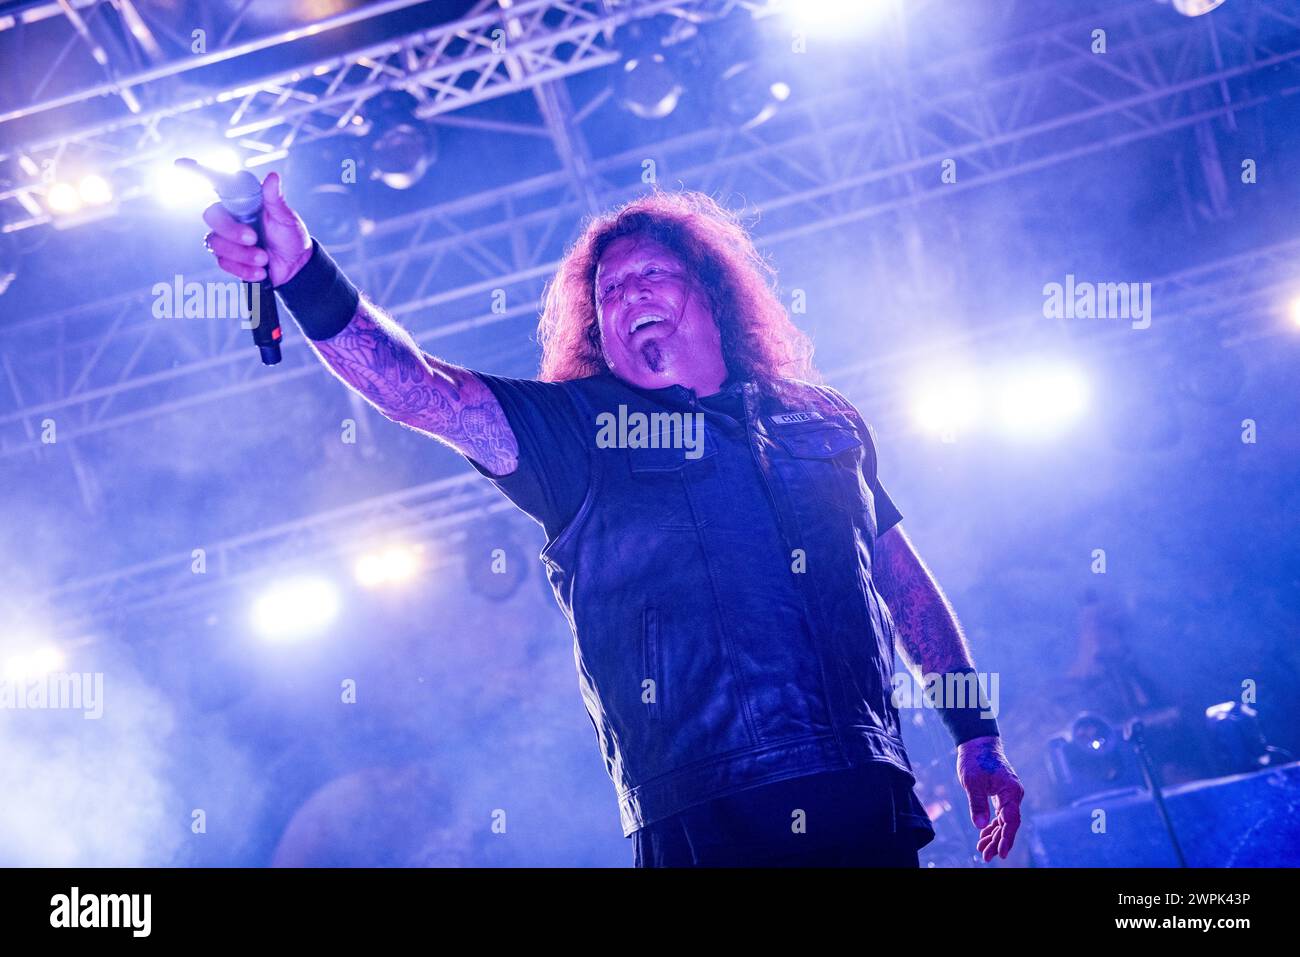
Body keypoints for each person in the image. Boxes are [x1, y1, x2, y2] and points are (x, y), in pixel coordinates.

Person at [200, 174, 1025, 867]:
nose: (628, 296)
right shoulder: (577, 433)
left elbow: (902, 582)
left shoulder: (822, 421)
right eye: (609, 292)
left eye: (650, 277)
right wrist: (303, 272)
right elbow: (419, 388)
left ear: (711, 293)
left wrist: (975, 734)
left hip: (863, 783)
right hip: (704, 805)